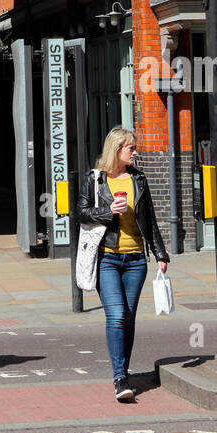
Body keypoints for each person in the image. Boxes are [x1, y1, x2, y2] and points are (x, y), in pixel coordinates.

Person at [78, 126, 169, 403]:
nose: (135, 151)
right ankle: (119, 378)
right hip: (107, 257)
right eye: (131, 148)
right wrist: (107, 211)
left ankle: (123, 372)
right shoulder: (96, 179)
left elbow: (150, 218)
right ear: (117, 149)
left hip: (135, 260)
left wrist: (160, 253)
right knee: (116, 315)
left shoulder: (139, 179)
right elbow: (80, 213)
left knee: (128, 319)